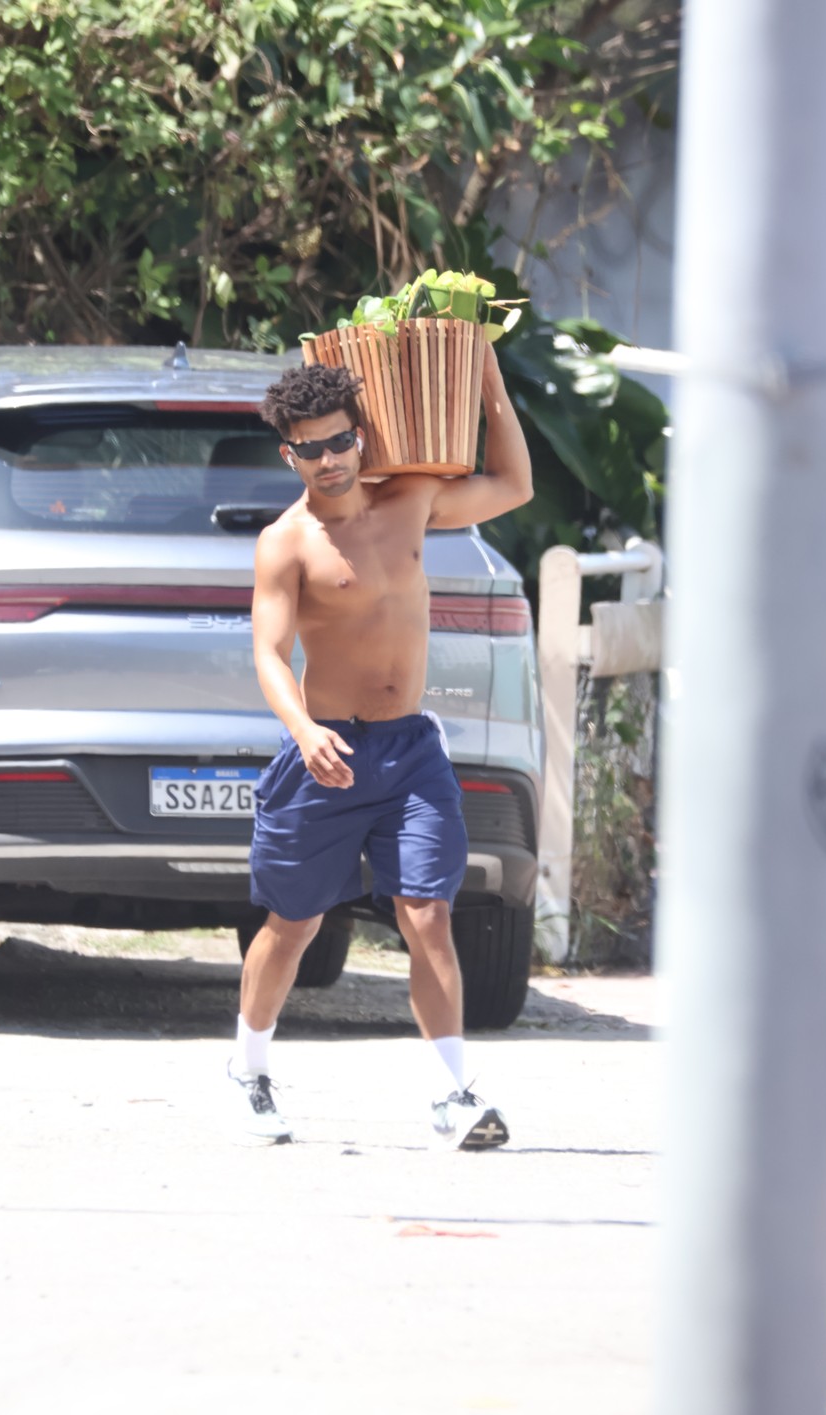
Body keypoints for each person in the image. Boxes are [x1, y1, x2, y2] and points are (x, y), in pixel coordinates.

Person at [228, 342, 534, 1148]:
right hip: (322, 755)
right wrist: (302, 730)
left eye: (339, 441)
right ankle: (249, 1070)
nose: (327, 460)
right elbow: (268, 652)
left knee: (427, 913)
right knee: (291, 926)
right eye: (309, 448)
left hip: (410, 752)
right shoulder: (286, 543)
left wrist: (490, 382)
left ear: (360, 434)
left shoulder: (410, 501)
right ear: (286, 452)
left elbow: (514, 485)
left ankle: (454, 1094)